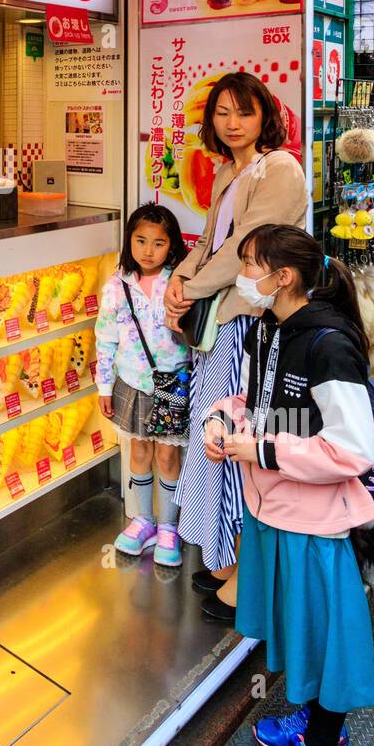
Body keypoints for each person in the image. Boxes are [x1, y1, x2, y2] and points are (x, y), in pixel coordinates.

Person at [204, 225, 374, 746]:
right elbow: (251, 403)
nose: (241, 274)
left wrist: (261, 451)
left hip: (316, 522)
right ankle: (314, 722)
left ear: (284, 277)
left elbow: (353, 449)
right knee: (300, 626)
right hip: (274, 511)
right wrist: (221, 422)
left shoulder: (328, 344)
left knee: (328, 637)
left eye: (250, 263)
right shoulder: (265, 331)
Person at [163, 72, 307, 623]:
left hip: (250, 322)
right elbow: (208, 243)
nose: (231, 123)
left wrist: (192, 288)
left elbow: (248, 248)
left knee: (235, 441)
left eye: (243, 112)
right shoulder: (229, 168)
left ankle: (250, 576)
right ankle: (225, 559)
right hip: (220, 319)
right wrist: (180, 279)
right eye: (222, 112)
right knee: (212, 438)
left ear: (263, 115)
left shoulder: (280, 168)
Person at [97, 203, 190, 566]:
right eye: (140, 241)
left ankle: (169, 526)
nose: (148, 251)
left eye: (158, 243)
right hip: (132, 381)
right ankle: (143, 520)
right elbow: (104, 339)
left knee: (168, 454)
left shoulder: (180, 281)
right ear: (129, 242)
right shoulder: (116, 285)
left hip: (172, 381)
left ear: (172, 246)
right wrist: (104, 387)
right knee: (138, 451)